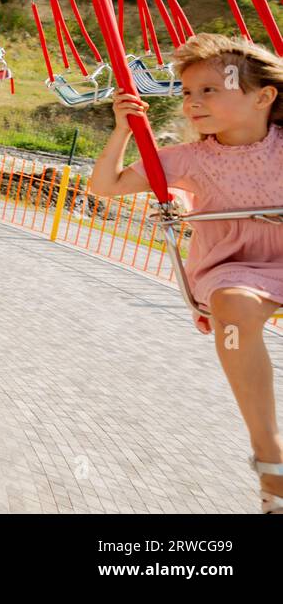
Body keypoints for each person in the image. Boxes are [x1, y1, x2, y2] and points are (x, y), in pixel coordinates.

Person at [90, 33, 283, 513]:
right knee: (232, 310)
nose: (193, 103)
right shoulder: (189, 159)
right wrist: (123, 128)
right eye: (187, 93)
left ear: (263, 96)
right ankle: (270, 454)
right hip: (234, 271)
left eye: (210, 90)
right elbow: (104, 187)